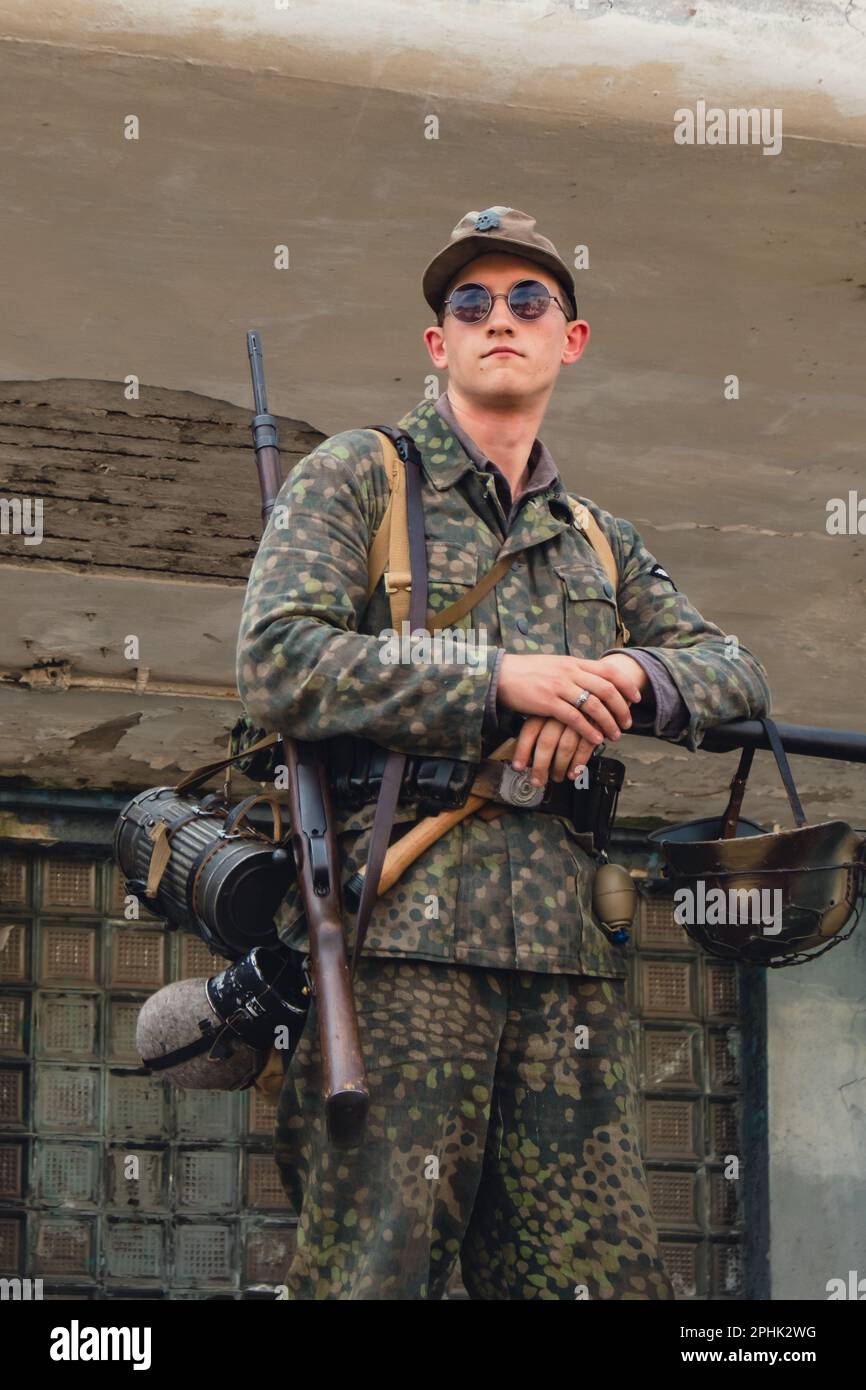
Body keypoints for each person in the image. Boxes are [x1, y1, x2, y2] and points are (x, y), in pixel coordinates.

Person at [236, 206, 771, 1300]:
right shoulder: (362, 479)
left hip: (567, 969)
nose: (498, 320)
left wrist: (628, 679)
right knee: (372, 1271)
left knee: (598, 1282)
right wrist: (493, 682)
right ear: (437, 343)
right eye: (468, 304)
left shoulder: (592, 537)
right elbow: (277, 661)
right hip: (395, 944)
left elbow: (734, 671)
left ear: (568, 339)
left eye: (528, 302)